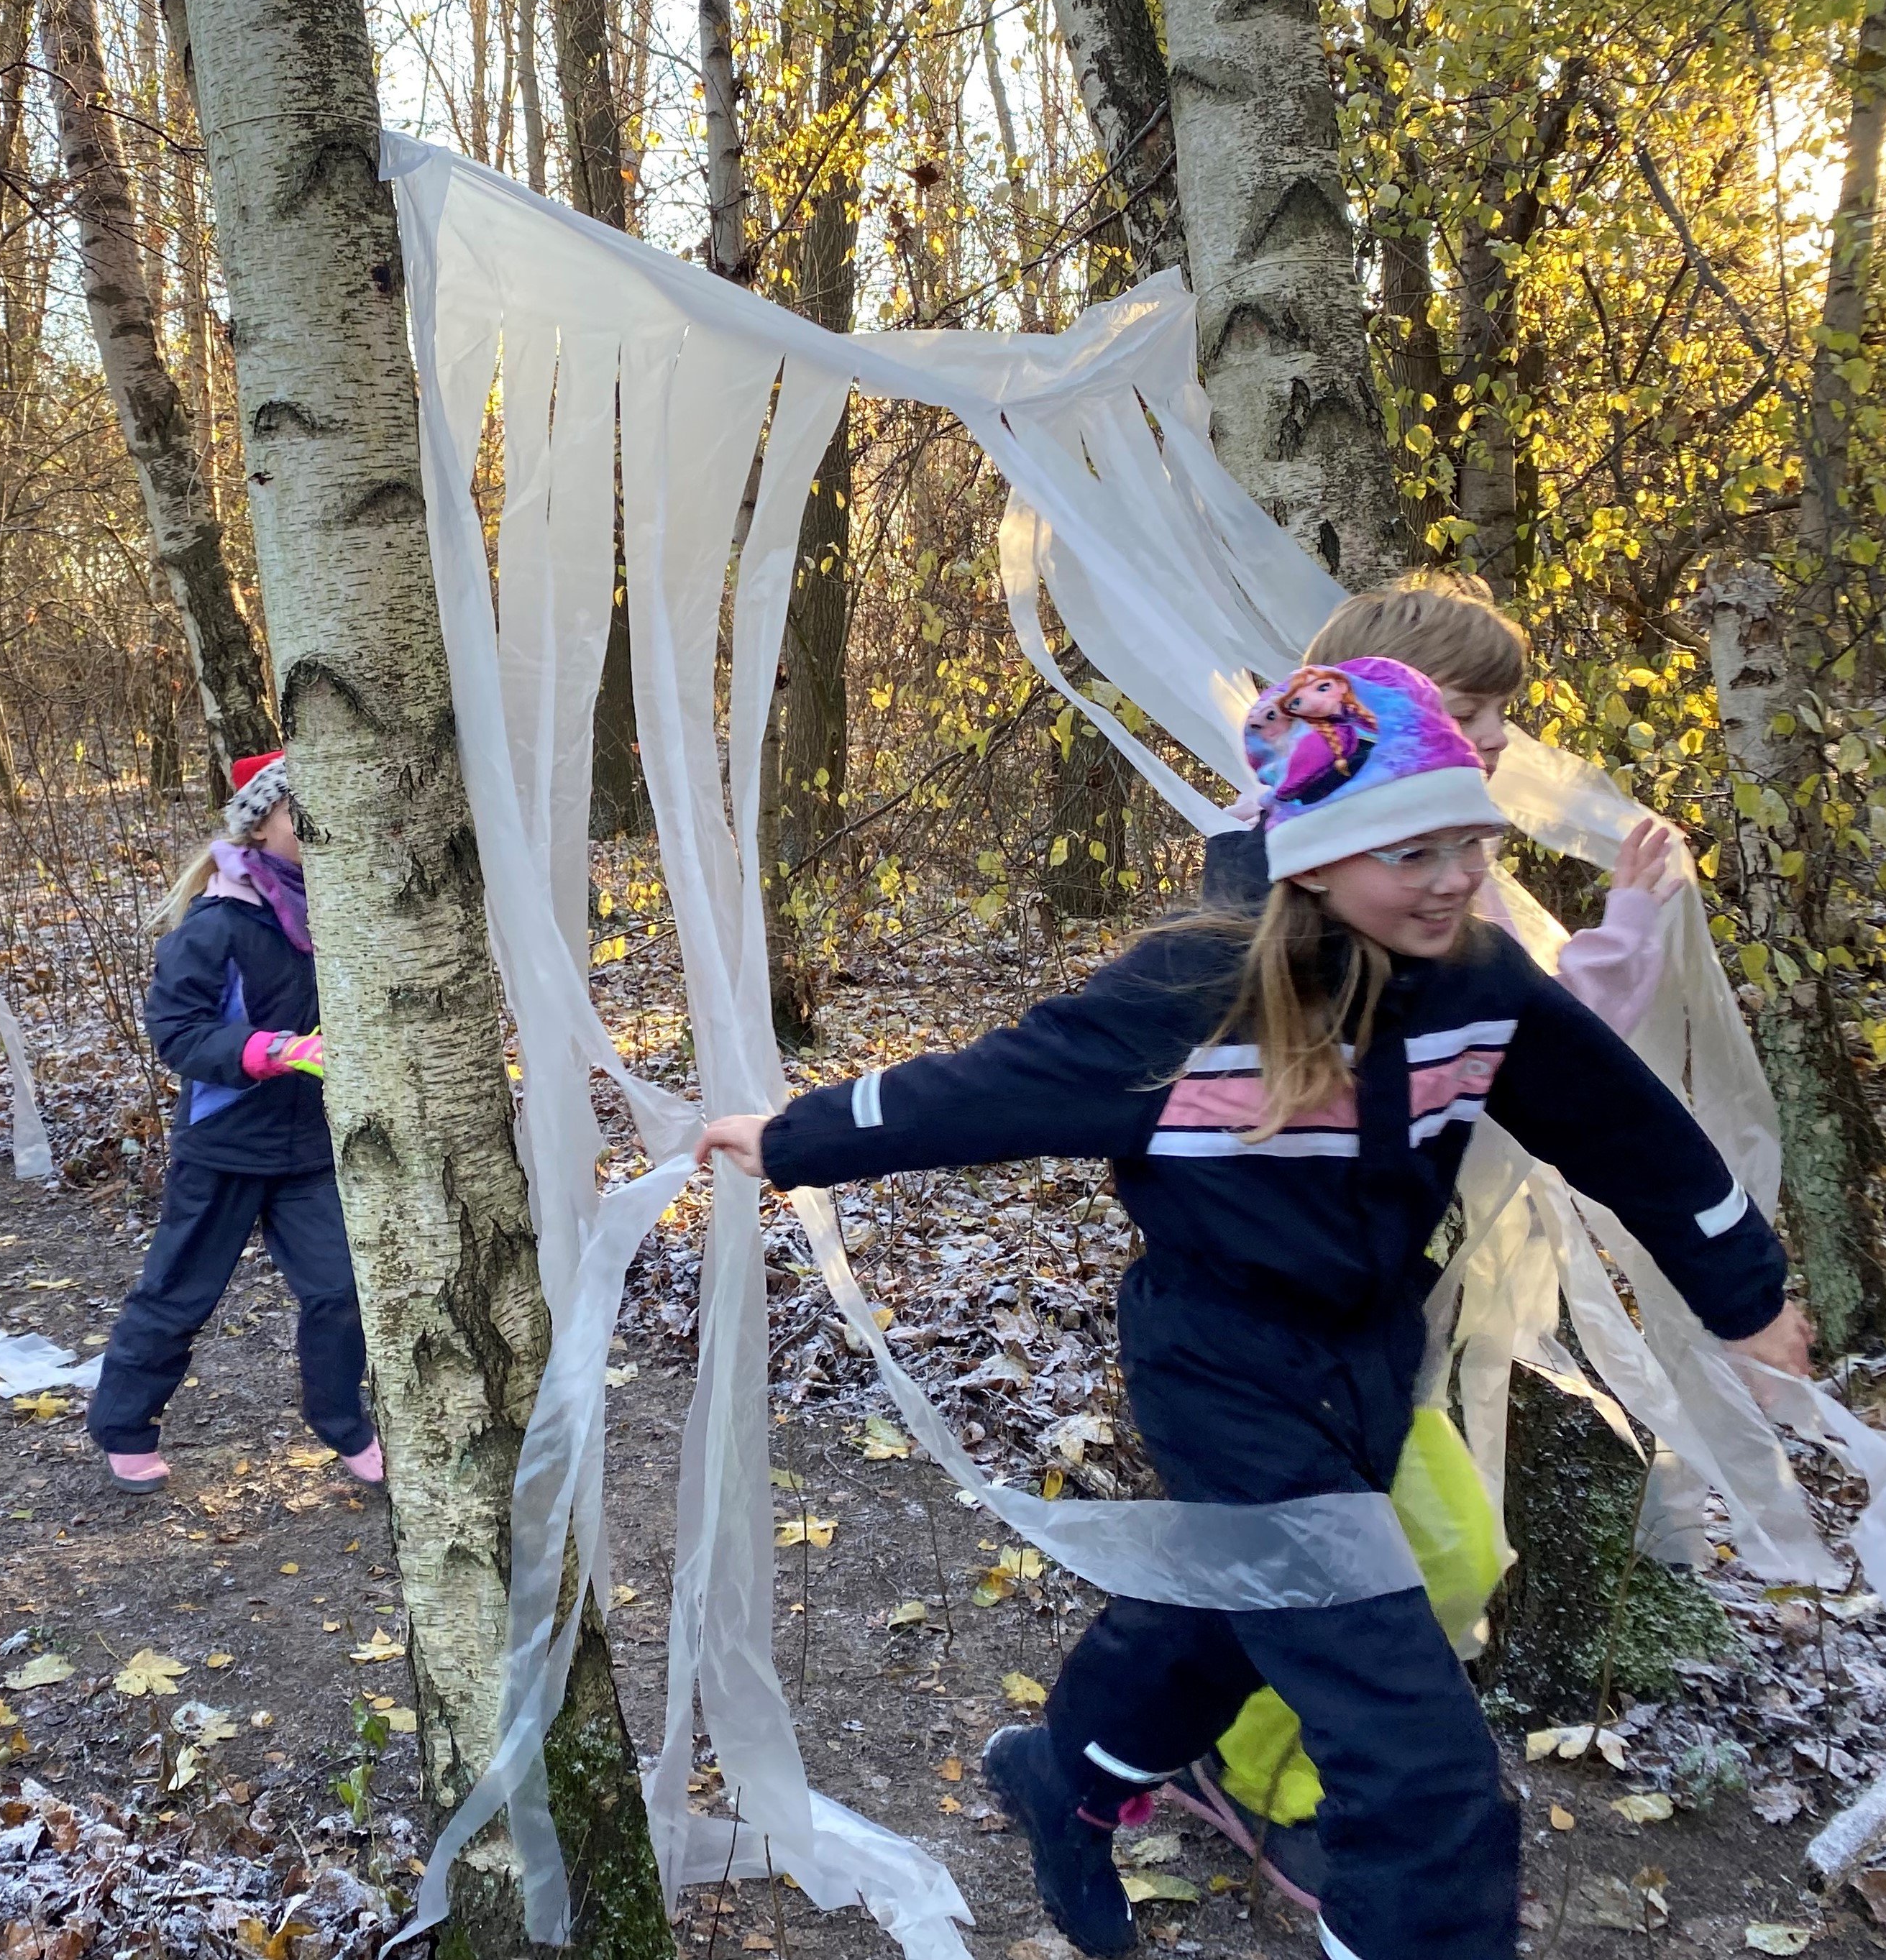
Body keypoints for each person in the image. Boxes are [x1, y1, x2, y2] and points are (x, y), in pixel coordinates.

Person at [695, 660, 1813, 1960]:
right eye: (1410, 850)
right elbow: (982, 1087)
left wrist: (1746, 1295)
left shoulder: (1478, 982)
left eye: (1468, 839)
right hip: (1219, 1371)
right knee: (1420, 1766)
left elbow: (1630, 1133)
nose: (1453, 876)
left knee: (1225, 1610)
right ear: (1314, 858)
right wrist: (791, 1137)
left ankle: (1063, 1777)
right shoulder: (1188, 998)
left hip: (1366, 1362)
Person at [1186, 574, 1690, 1907]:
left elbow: (1541, 1043)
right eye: (1471, 714)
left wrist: (1625, 922)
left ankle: (1232, 1749)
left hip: (1365, 1301)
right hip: (1272, 1319)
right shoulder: (1301, 872)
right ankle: (1259, 1779)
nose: (1498, 746)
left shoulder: (1429, 868)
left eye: (1500, 721)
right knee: (1432, 1551)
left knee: (1405, 1555)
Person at [1207, 572, 1683, 1038]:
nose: (1497, 737)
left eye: (1501, 712)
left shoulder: (1277, 839)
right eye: (1461, 713)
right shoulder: (1400, 874)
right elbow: (1532, 1036)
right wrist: (1625, 930)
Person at [87, 751, 381, 1493]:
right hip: (224, 1144)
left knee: (341, 1287)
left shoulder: (344, 911)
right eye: (297, 812)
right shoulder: (218, 921)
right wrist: (268, 1050)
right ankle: (123, 1423)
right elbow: (175, 1028)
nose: (313, 827)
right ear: (261, 825)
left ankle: (341, 1418)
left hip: (310, 1147)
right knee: (180, 1290)